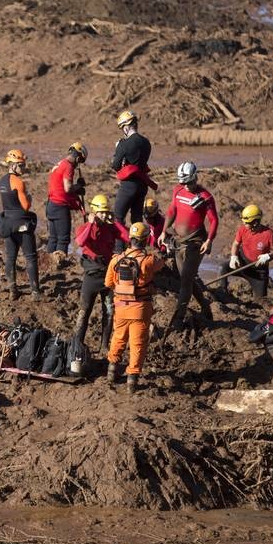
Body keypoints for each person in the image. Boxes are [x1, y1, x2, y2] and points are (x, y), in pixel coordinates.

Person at [104, 222, 164, 394]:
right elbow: (161, 263)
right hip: (141, 308)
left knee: (118, 338)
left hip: (121, 307)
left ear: (130, 239)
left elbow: (108, 283)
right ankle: (132, 380)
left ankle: (111, 371)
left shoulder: (116, 259)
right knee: (137, 344)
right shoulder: (148, 261)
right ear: (145, 240)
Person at [158, 161, 217, 328]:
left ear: (195, 178)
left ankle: (178, 318)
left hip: (196, 242)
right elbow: (171, 211)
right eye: (183, 183)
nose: (187, 186)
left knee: (185, 280)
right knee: (187, 278)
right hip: (178, 241)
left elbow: (214, 220)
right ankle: (206, 308)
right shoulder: (178, 190)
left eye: (189, 182)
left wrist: (209, 240)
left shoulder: (205, 197)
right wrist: (164, 231)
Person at [73, 194, 130, 352]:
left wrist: (116, 223)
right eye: (102, 212)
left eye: (106, 212)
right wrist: (91, 224)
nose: (104, 215)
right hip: (91, 276)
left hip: (107, 275)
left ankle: (104, 346)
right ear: (94, 211)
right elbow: (80, 242)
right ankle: (78, 344)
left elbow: (127, 237)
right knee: (84, 312)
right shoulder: (84, 228)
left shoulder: (110, 227)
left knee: (110, 311)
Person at [0, 149, 41, 299]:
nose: (23, 168)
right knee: (30, 257)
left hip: (8, 223)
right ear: (13, 165)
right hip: (22, 223)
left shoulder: (1, 182)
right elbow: (26, 206)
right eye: (21, 165)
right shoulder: (18, 182)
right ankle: (35, 292)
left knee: (10, 258)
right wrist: (29, 198)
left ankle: (12, 290)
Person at [110, 110, 156, 251]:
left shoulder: (124, 144)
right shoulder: (146, 143)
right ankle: (138, 248)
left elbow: (115, 165)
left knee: (118, 217)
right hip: (142, 185)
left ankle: (118, 250)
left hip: (128, 186)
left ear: (126, 127)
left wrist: (118, 149)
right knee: (136, 218)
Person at [216, 204, 273, 299]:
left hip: (258, 272)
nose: (244, 224)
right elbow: (235, 244)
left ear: (255, 222)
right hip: (241, 264)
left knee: (260, 301)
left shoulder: (268, 234)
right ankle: (223, 295)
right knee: (222, 268)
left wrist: (269, 255)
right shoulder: (243, 230)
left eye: (246, 222)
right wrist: (233, 257)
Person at [46, 142, 88, 259]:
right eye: (80, 161)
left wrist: (76, 189)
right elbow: (67, 188)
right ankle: (59, 264)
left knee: (53, 238)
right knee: (63, 239)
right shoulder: (69, 166)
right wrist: (78, 187)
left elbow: (60, 186)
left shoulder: (60, 163)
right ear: (78, 157)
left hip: (51, 205)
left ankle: (50, 262)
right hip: (60, 206)